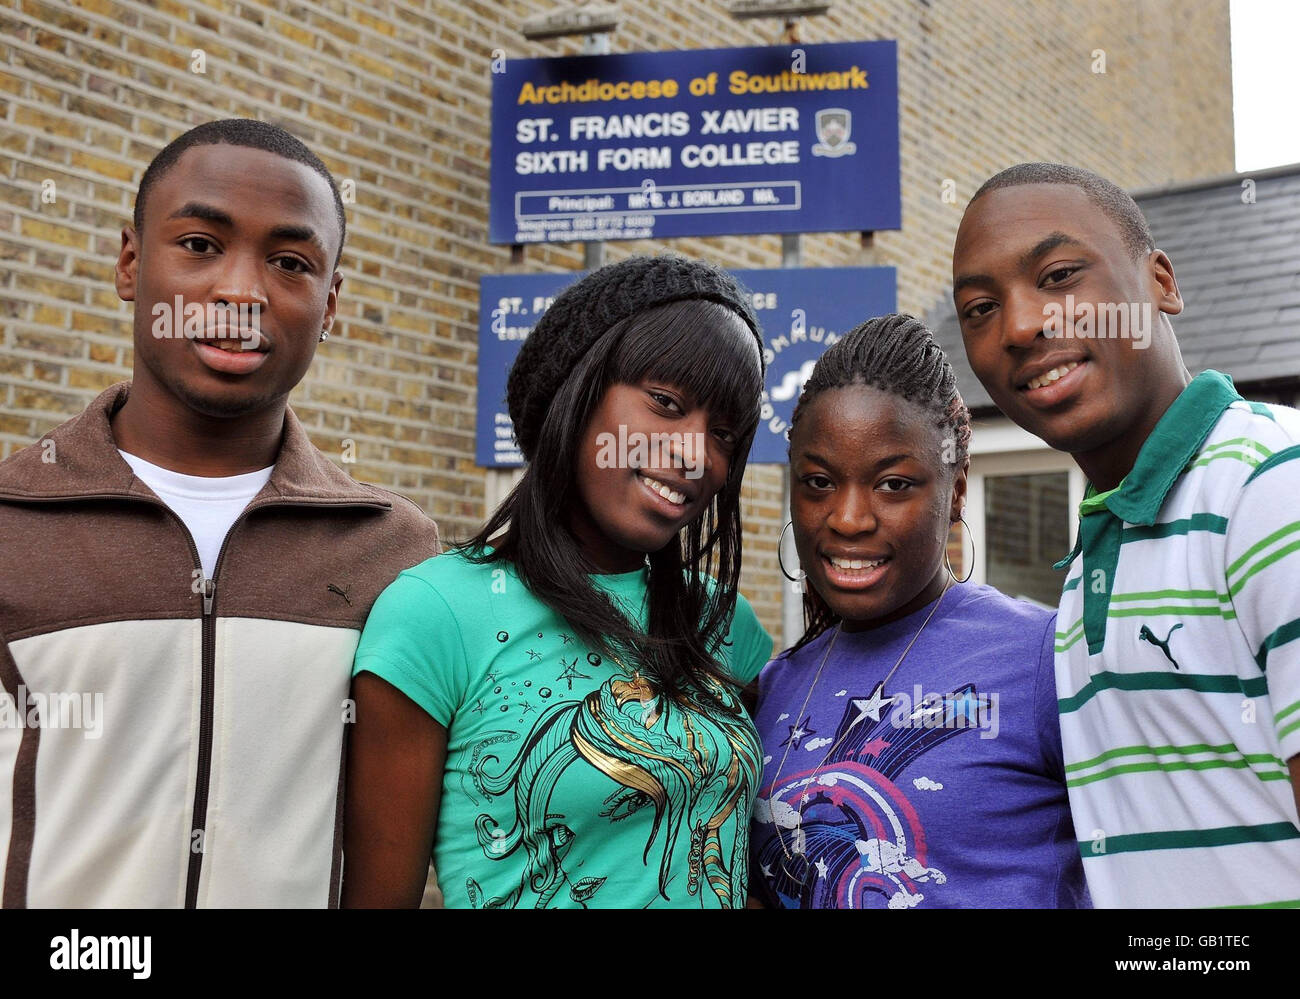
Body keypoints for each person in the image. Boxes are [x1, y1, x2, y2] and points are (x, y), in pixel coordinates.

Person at [0, 119, 439, 908]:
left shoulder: (393, 553)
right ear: (130, 262)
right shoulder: (9, 522)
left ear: (331, 301)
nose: (241, 292)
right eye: (201, 244)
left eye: (291, 263)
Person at [342, 255, 773, 909]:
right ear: (577, 394)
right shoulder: (435, 612)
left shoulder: (724, 621)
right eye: (665, 403)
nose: (694, 453)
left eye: (722, 432)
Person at [953, 161, 1300, 907]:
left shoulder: (1272, 484)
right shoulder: (1094, 554)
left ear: (1162, 283)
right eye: (980, 308)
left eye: (1059, 275)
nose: (1019, 325)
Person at [751, 314, 1088, 910]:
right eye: (820, 482)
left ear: (956, 489)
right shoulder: (775, 686)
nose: (849, 519)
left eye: (893, 485)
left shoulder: (1045, 657)